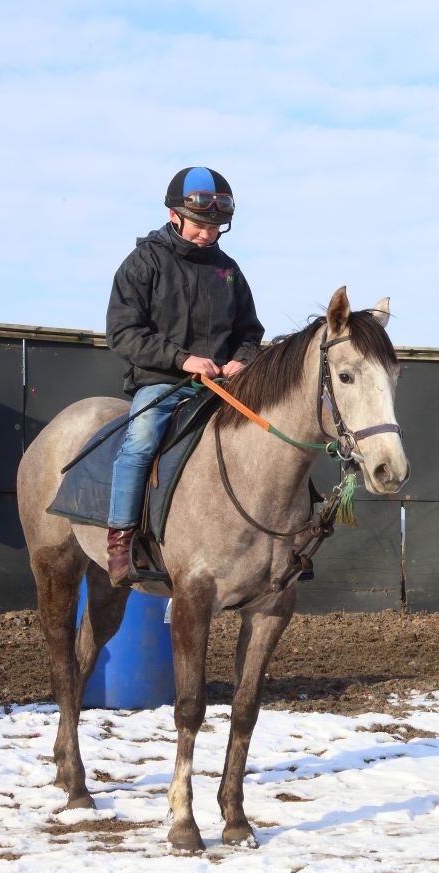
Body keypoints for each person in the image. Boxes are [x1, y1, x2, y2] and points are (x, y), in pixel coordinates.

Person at [103, 166, 264, 585]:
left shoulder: (229, 271)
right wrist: (183, 360)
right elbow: (122, 332)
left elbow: (250, 332)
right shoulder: (144, 262)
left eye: (215, 227)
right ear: (174, 215)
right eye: (199, 226)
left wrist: (242, 360)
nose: (208, 235)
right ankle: (121, 540)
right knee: (140, 441)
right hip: (163, 382)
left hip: (223, 386)